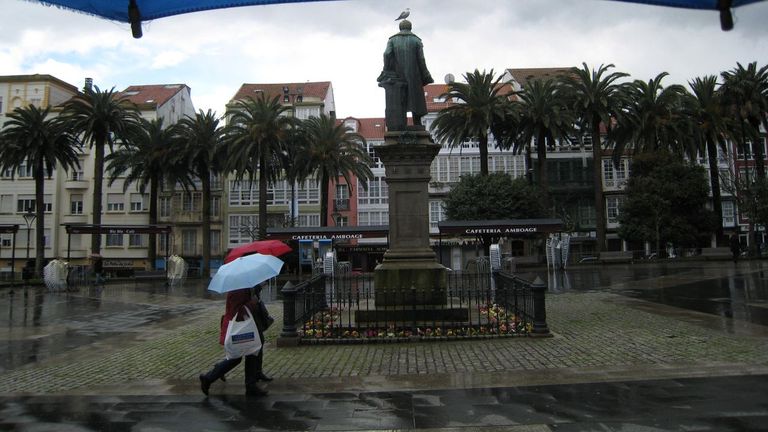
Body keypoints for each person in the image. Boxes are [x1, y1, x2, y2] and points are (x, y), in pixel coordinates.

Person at [199, 286, 272, 397]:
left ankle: (251, 384)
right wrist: (252, 302)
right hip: (239, 327)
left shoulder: (244, 286)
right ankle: (209, 377)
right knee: (236, 357)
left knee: (252, 351)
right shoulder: (237, 289)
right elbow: (236, 309)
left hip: (245, 325)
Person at [377, 19, 433, 130]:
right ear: (410, 28)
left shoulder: (392, 40)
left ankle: (401, 124)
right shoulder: (416, 41)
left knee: (399, 98)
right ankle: (417, 124)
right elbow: (421, 59)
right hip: (414, 76)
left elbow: (387, 54)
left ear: (400, 28)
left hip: (398, 76)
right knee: (415, 98)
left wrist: (387, 69)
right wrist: (426, 75)